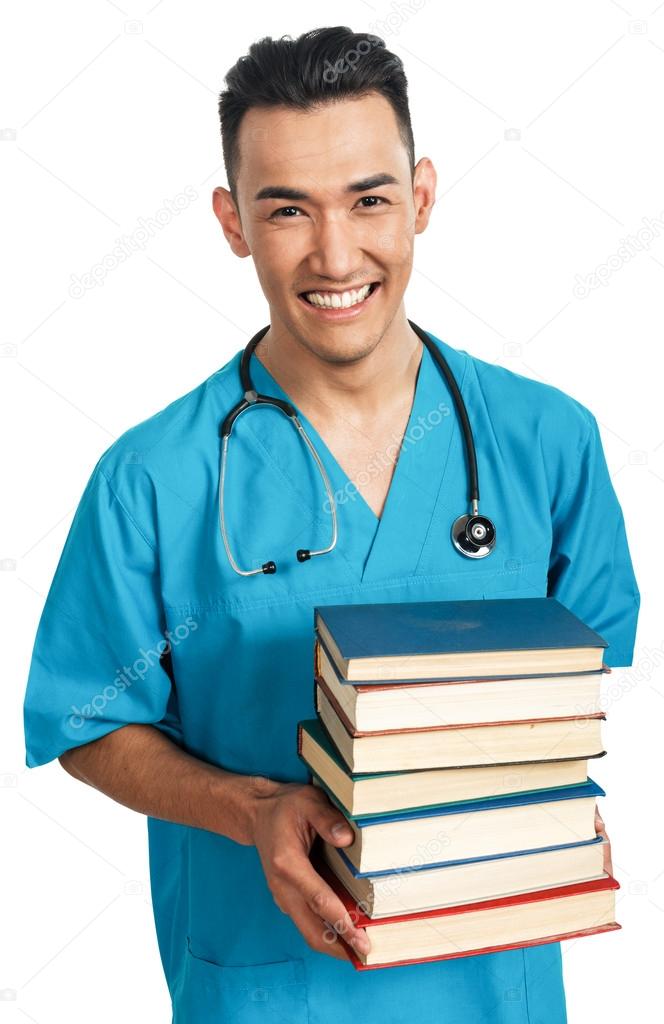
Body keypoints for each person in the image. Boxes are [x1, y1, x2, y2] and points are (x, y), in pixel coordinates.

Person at [23, 25, 640, 1024]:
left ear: (423, 196)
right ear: (232, 223)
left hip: (492, 986)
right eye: (286, 211)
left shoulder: (545, 440)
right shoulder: (154, 475)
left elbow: (585, 664)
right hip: (269, 990)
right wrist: (252, 806)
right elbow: (88, 719)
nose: (335, 254)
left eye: (369, 199)